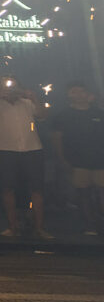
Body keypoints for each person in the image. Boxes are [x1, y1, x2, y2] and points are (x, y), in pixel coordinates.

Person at [0, 77, 50, 239]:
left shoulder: (28, 102)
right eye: (5, 85)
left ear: (20, 87)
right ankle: (12, 227)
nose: (10, 88)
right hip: (5, 150)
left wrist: (34, 98)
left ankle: (39, 228)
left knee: (37, 189)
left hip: (32, 148)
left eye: (13, 85)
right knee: (7, 188)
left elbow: (42, 116)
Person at [52, 81, 104, 236]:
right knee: (83, 193)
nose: (79, 94)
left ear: (89, 95)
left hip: (101, 160)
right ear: (69, 94)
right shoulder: (63, 115)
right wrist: (62, 159)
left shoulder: (99, 114)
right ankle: (90, 225)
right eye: (75, 91)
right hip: (77, 161)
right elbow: (56, 138)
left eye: (82, 91)